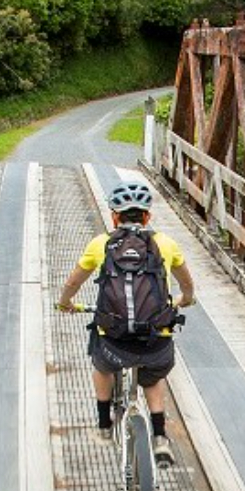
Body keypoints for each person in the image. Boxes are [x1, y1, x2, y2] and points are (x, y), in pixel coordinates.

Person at [57, 181, 194, 467]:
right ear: (147, 217)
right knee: (152, 377)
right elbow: (186, 282)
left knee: (102, 366)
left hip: (114, 342)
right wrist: (186, 299)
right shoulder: (165, 244)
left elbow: (73, 282)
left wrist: (66, 302)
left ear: (114, 216)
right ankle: (159, 438)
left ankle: (104, 426)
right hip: (157, 343)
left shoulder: (101, 244)